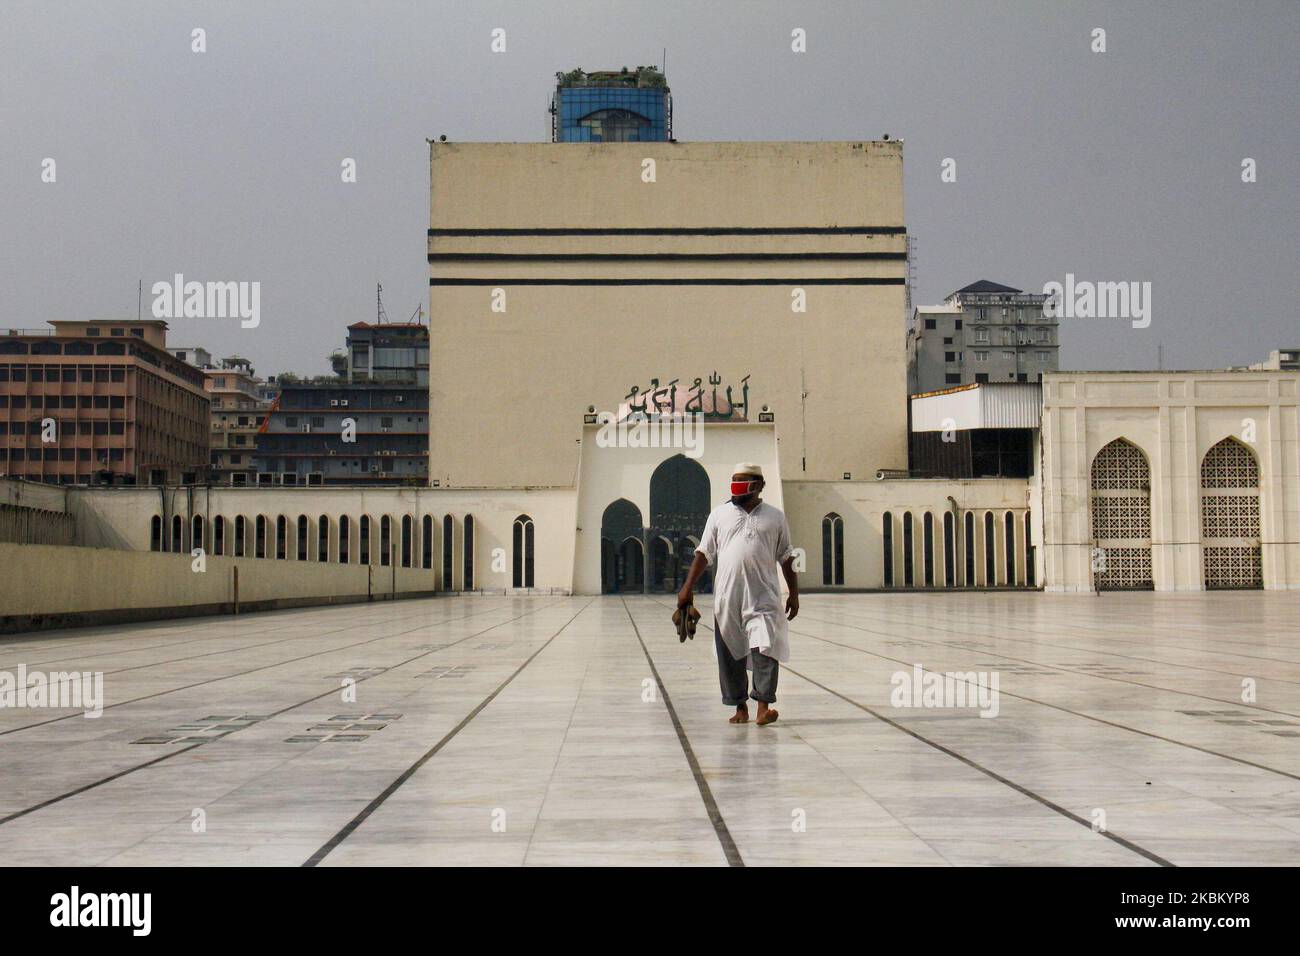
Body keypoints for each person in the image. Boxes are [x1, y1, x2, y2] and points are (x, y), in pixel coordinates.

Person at [677, 463, 799, 725]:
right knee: (731, 652)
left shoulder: (775, 517)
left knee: (765, 648)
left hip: (764, 597)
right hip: (728, 596)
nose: (735, 485)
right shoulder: (720, 514)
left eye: (741, 481)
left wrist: (794, 593)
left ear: (757, 486)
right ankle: (740, 707)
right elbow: (704, 553)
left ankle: (763, 707)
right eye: (733, 480)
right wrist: (687, 588)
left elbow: (786, 556)